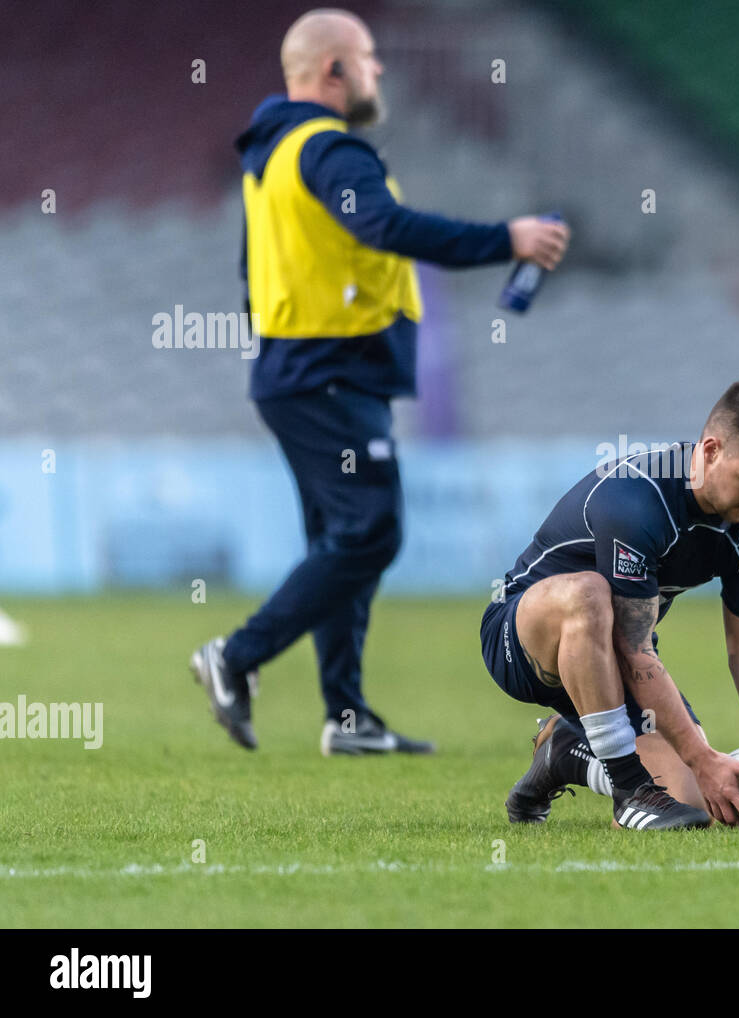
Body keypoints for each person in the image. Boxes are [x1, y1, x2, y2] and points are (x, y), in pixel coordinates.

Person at [189, 8, 570, 755]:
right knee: (372, 531)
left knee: (339, 539)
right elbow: (385, 228)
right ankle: (234, 657)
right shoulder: (331, 150)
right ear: (333, 70)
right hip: (329, 373)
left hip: (297, 371)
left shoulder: (270, 153)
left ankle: (348, 716)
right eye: (367, 57)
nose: (379, 70)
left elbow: (253, 266)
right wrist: (508, 239)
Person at [480, 378, 739, 830]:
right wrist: (703, 755)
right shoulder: (636, 499)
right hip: (524, 643)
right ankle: (629, 789)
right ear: (711, 451)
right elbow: (634, 649)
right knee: (589, 594)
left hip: (615, 660)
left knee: (698, 803)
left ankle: (567, 753)